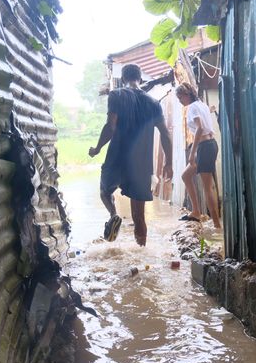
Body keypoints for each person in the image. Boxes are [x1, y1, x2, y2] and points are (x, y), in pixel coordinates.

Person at [88, 64, 173, 246]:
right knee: (139, 217)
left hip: (116, 158)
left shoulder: (116, 95)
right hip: (141, 165)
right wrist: (169, 163)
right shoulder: (153, 103)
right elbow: (165, 134)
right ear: (140, 79)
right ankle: (141, 253)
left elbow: (111, 126)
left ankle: (113, 214)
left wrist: (97, 148)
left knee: (105, 191)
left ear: (123, 78)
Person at [175, 82, 221, 229]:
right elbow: (209, 112)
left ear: (187, 95)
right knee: (186, 175)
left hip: (204, 147)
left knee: (208, 188)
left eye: (180, 97)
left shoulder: (193, 107)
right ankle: (195, 211)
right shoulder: (201, 105)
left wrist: (192, 152)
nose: (179, 100)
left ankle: (217, 226)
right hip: (209, 145)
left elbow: (200, 128)